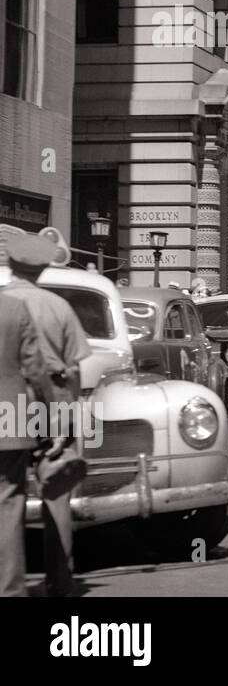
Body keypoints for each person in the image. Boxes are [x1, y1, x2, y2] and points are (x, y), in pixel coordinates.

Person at [0, 231, 93, 596]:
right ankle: (60, 579)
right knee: (56, 489)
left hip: (10, 406)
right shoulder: (58, 307)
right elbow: (73, 366)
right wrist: (67, 413)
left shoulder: (4, 304)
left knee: (8, 498)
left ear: (11, 264)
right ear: (41, 268)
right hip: (51, 401)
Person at [0, 283, 50, 597]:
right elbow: (35, 368)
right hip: (10, 418)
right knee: (8, 506)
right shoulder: (15, 308)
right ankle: (10, 589)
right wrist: (49, 410)